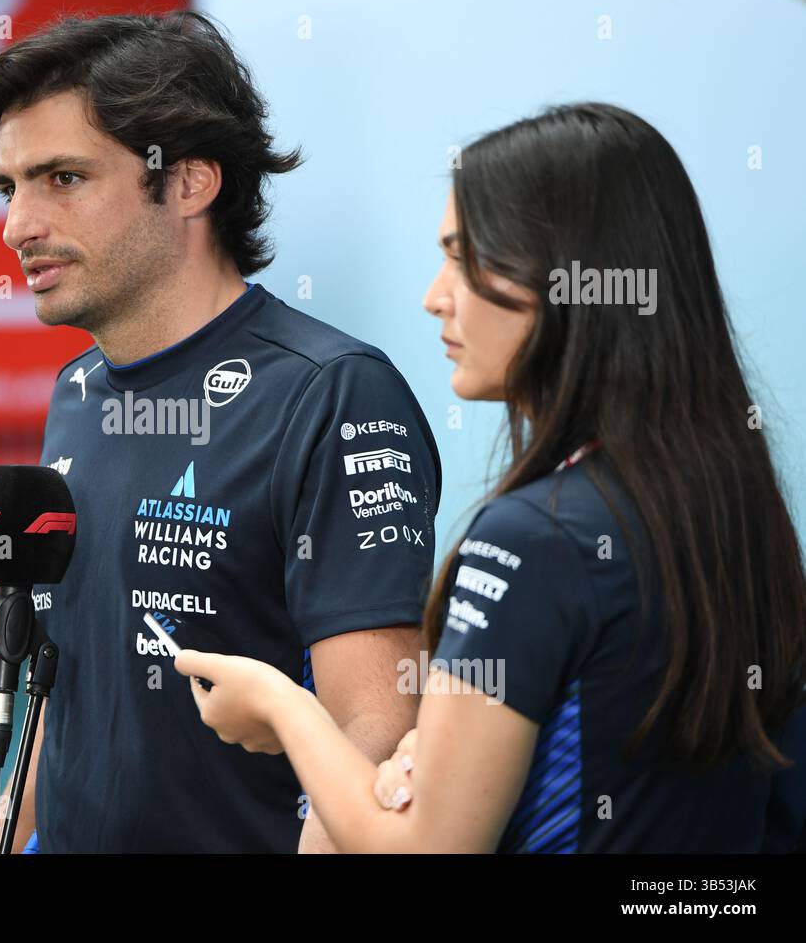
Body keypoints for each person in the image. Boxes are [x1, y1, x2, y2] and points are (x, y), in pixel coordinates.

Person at [176, 102, 806, 852]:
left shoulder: (534, 540)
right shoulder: (730, 509)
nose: (437, 295)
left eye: (466, 258)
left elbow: (421, 849)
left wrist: (287, 709)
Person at [0, 12, 441, 853]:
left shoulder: (332, 395)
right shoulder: (76, 392)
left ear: (190, 183)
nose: (18, 226)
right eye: (11, 187)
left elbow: (376, 734)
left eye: (63, 178)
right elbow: (66, 695)